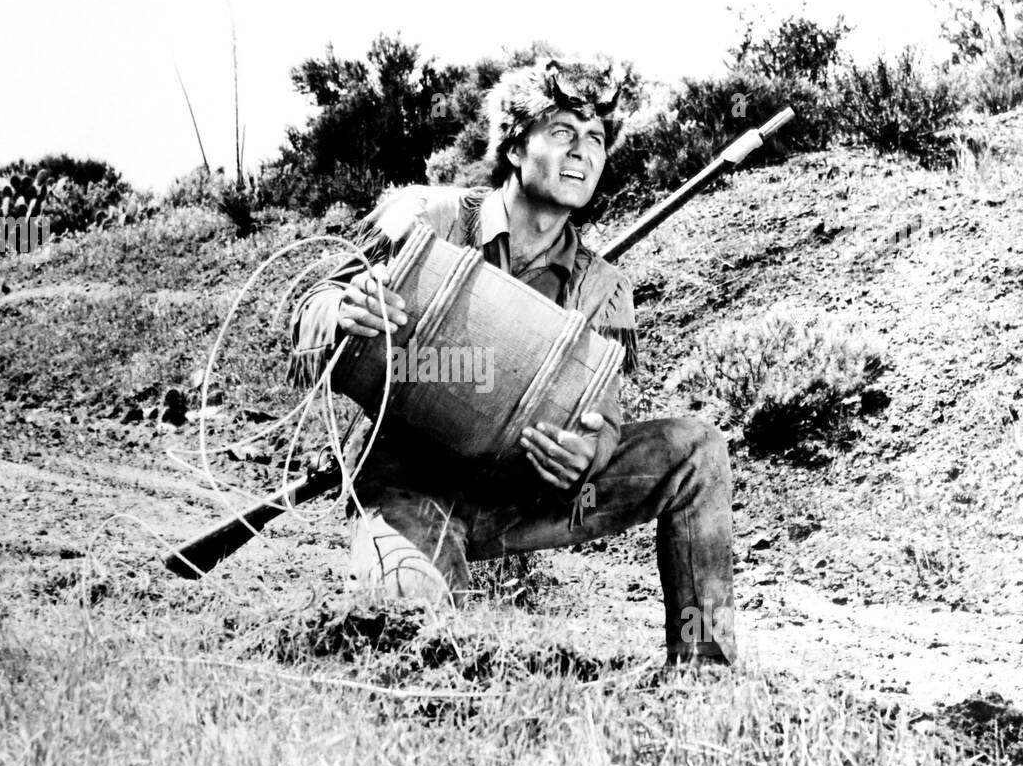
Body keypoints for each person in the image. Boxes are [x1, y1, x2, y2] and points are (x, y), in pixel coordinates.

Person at [288, 57, 735, 665]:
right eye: (562, 132)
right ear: (516, 145)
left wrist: (589, 457)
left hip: (522, 493)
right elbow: (305, 311)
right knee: (418, 647)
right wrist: (343, 311)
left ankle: (706, 667)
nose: (583, 152)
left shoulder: (603, 286)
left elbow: (600, 421)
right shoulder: (433, 219)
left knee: (698, 450)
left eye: (596, 139)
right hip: (410, 485)